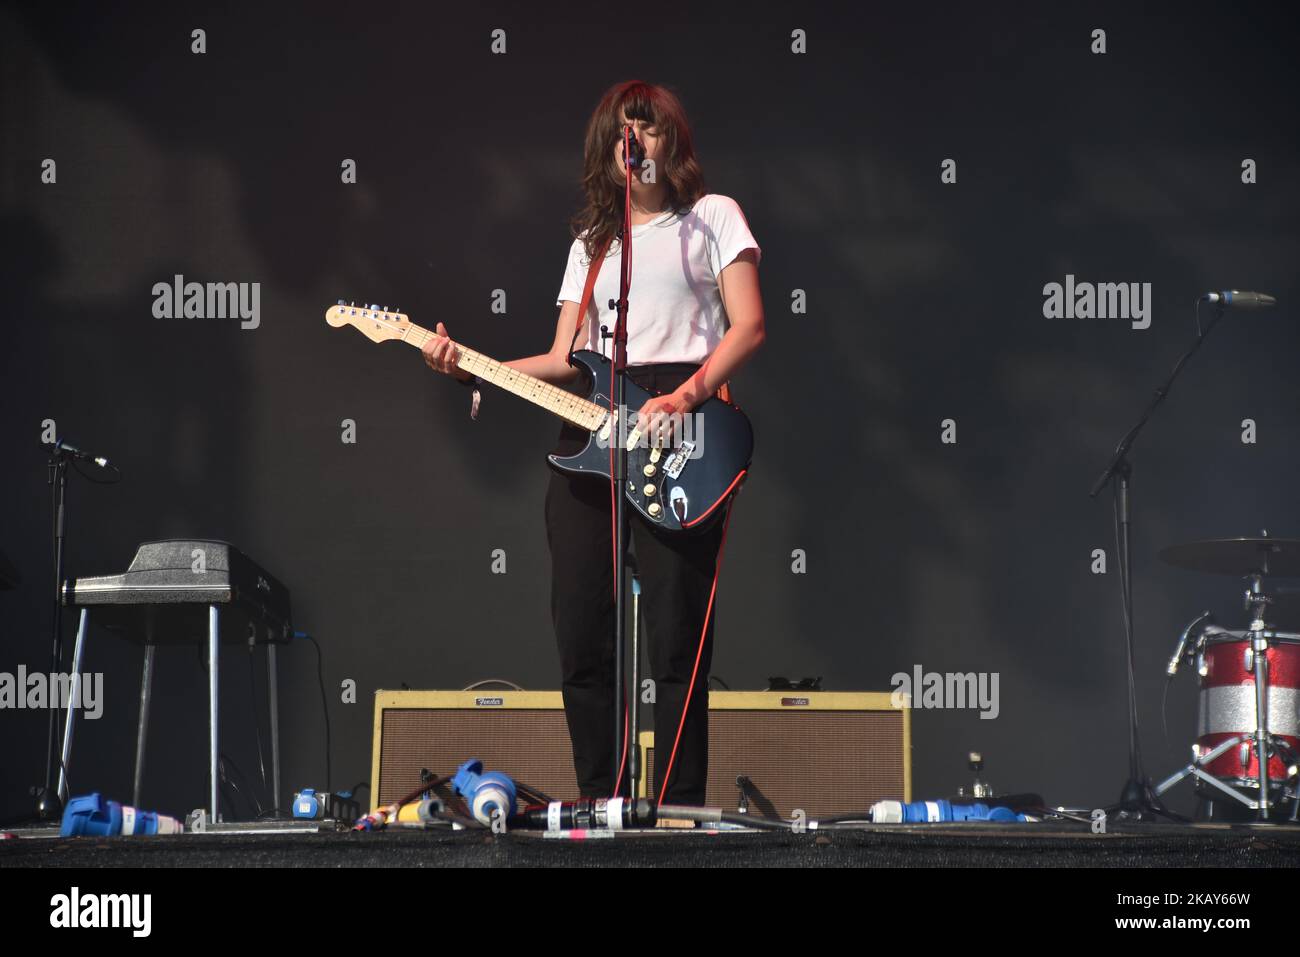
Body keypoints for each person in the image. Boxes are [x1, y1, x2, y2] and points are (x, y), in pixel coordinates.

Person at [422, 80, 765, 806]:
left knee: (676, 637)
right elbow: (562, 355)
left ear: (672, 139)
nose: (630, 143)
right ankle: (601, 802)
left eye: (645, 129)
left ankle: (676, 808)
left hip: (682, 417)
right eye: (619, 132)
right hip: (596, 421)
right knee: (581, 627)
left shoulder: (712, 218)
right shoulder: (594, 242)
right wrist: (470, 367)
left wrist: (686, 394)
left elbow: (749, 325)